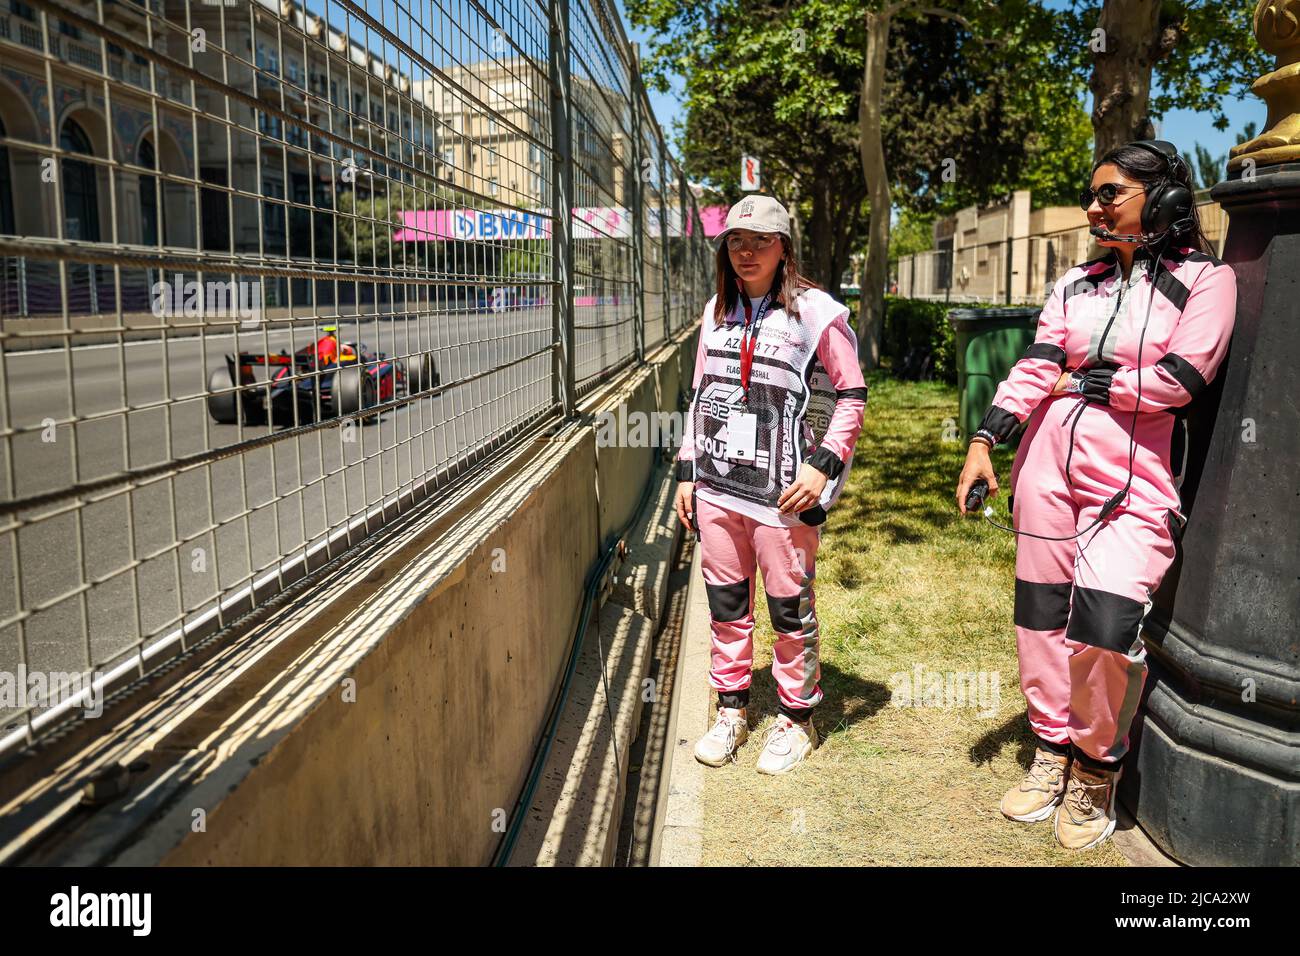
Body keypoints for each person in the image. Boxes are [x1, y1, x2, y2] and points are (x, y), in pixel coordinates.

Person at [955, 141, 1237, 850]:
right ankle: (1052, 750)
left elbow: (1178, 381)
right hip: (1046, 465)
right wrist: (986, 441)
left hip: (1137, 481)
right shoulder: (1075, 284)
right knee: (1041, 614)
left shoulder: (1208, 282)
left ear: (1164, 197)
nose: (1092, 207)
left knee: (1107, 623)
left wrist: (1082, 381)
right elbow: (1038, 363)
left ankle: (1095, 768)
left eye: (1108, 193)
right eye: (1093, 194)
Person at [674, 195, 868, 774]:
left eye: (760, 240)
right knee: (726, 609)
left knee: (789, 611)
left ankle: (796, 718)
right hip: (716, 490)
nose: (747, 251)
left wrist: (823, 465)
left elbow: (851, 394)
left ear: (784, 246)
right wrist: (687, 471)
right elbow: (699, 392)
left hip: (783, 497)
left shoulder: (818, 313)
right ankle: (731, 710)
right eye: (736, 240)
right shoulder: (715, 309)